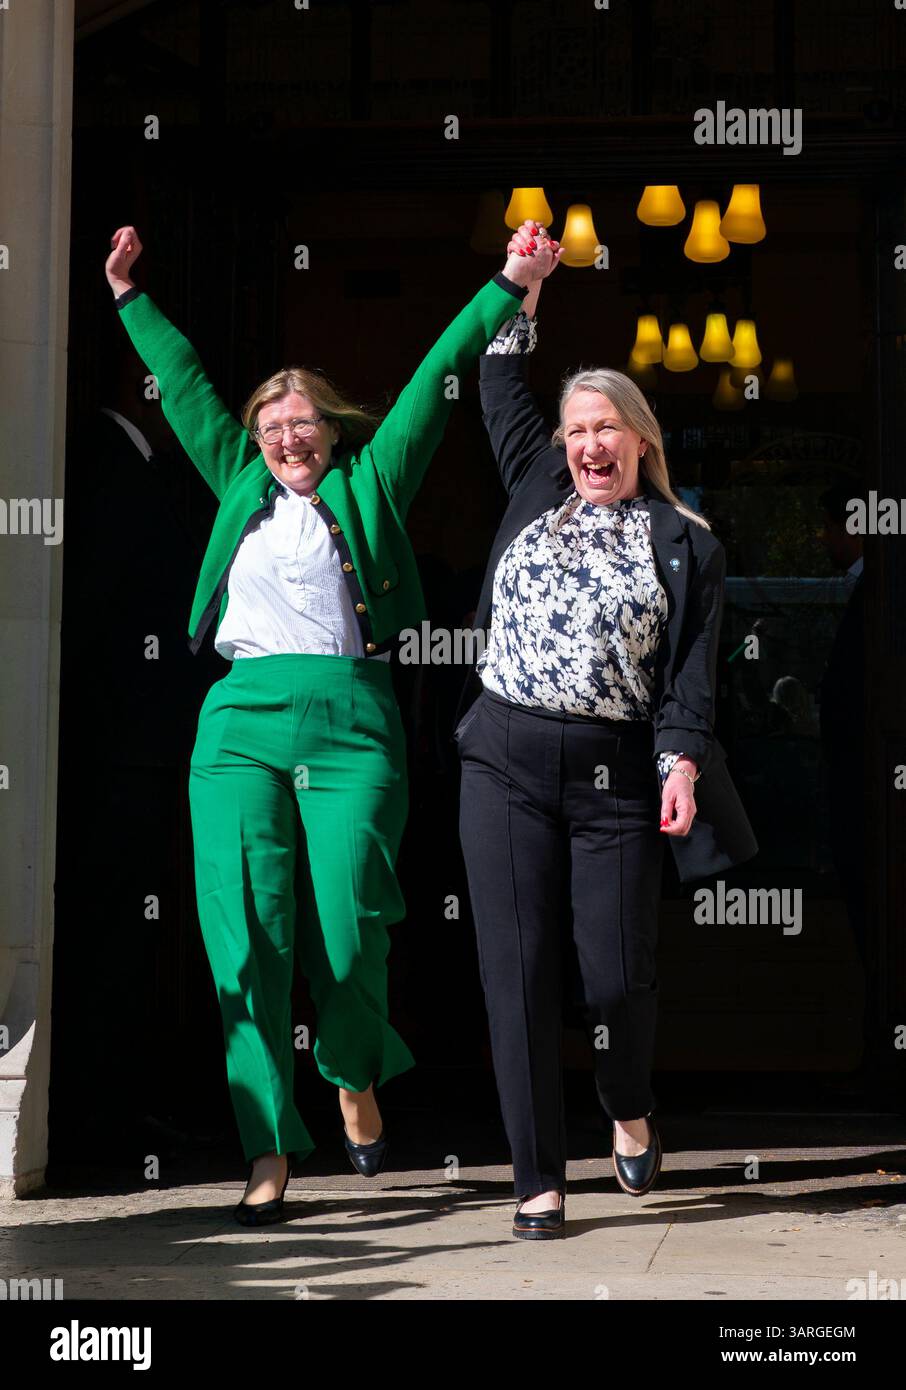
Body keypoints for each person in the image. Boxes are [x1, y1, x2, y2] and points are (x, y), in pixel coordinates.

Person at [104, 222, 548, 1225]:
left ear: (334, 431)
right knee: (245, 933)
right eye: (273, 425)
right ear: (255, 440)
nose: (288, 435)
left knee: (350, 932)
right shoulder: (238, 483)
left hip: (352, 719)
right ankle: (265, 1147)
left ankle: (351, 1072)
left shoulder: (372, 480)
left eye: (304, 421)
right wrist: (131, 298)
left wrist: (508, 285)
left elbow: (439, 373)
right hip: (238, 724)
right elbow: (187, 387)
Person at [455, 224, 758, 1239]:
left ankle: (628, 1107)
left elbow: (689, 681)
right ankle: (537, 1179)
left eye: (607, 427)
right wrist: (524, 290)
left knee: (615, 973)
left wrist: (678, 763)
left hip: (611, 776)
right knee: (518, 967)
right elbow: (500, 388)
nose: (588, 443)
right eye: (576, 427)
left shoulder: (688, 545)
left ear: (640, 439)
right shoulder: (537, 487)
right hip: (502, 758)